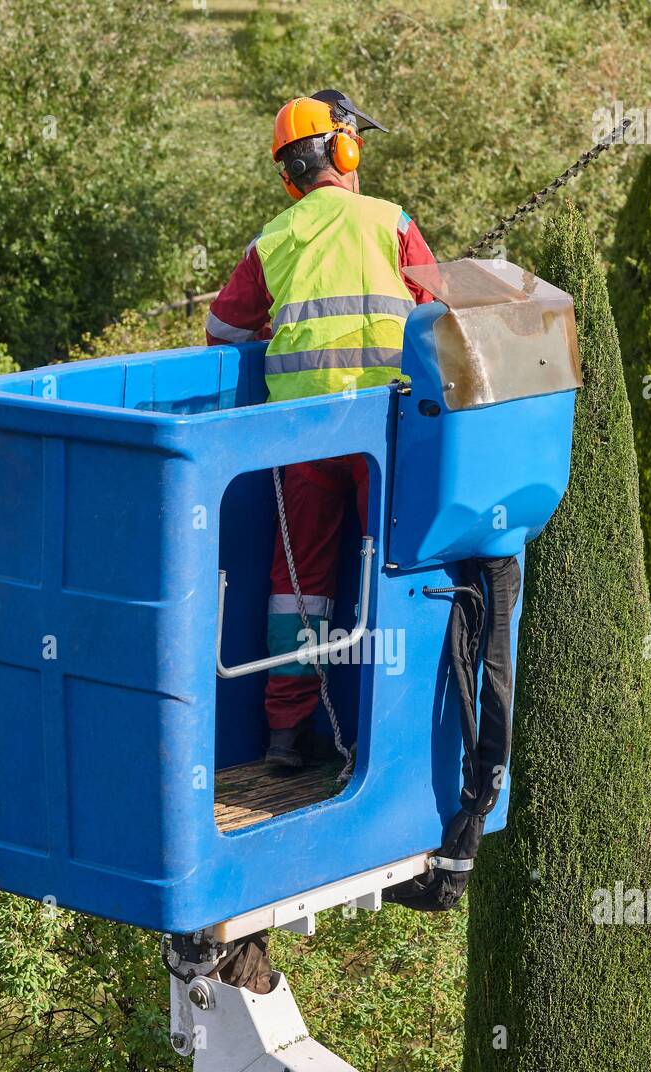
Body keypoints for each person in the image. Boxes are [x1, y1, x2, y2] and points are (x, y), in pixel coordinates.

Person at [207, 89, 436, 772]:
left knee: (297, 583)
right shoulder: (392, 222)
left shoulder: (271, 241)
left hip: (299, 438)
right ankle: (382, 735)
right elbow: (436, 315)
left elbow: (221, 331)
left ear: (289, 177)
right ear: (345, 150)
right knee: (392, 569)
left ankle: (284, 737)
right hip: (385, 436)